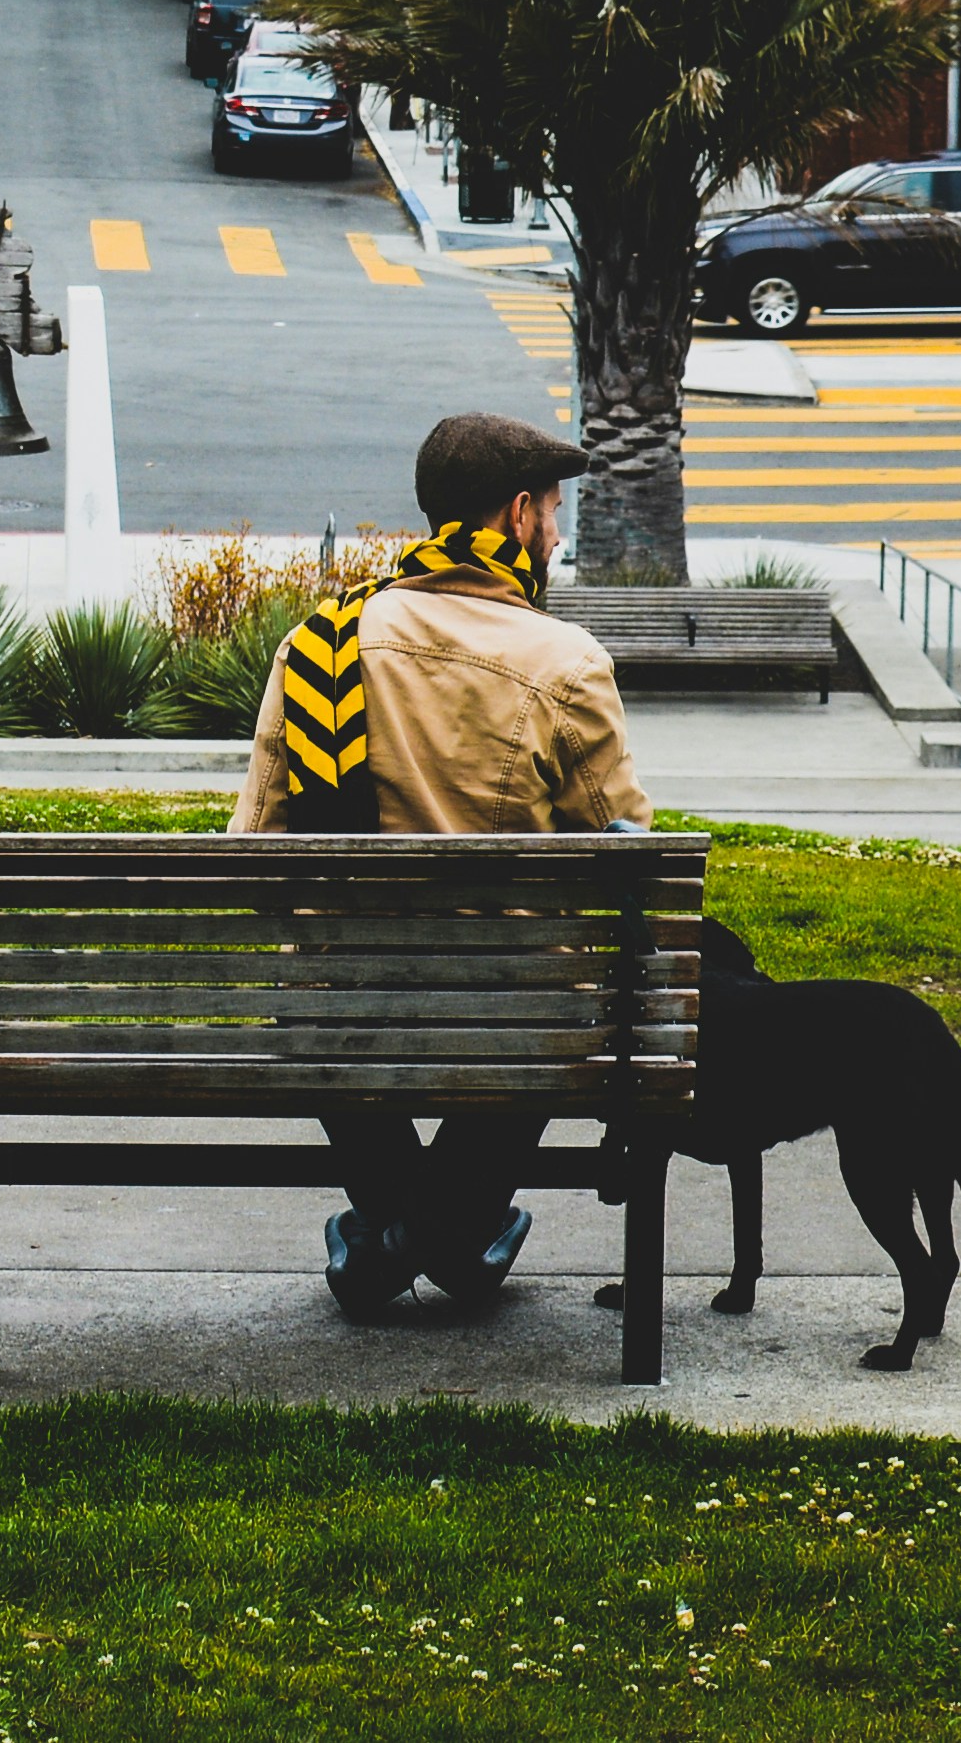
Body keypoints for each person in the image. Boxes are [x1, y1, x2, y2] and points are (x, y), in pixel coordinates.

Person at [231, 410, 649, 1324]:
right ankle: (448, 1238)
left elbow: (256, 849)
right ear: (515, 515)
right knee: (553, 988)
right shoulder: (564, 661)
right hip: (513, 1022)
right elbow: (630, 862)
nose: (558, 530)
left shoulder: (320, 645)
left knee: (323, 987)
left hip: (344, 1017)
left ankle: (389, 1235)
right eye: (552, 510)